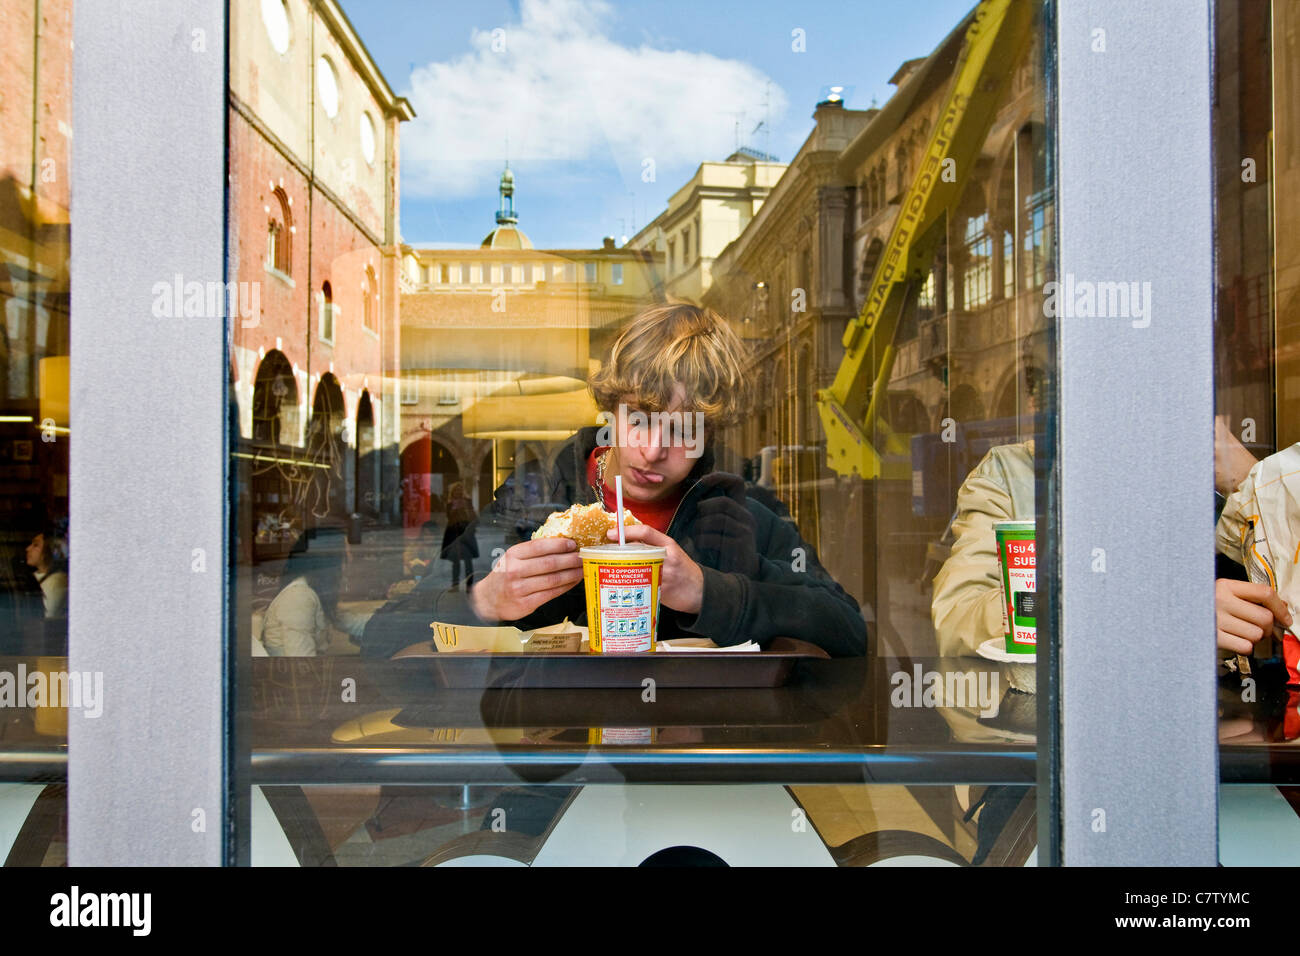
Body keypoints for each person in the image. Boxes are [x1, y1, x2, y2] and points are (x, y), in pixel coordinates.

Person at [451, 303, 867, 658]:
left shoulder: (742, 515)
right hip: (561, 744)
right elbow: (403, 620)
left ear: (708, 436)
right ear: (611, 410)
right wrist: (482, 600)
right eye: (638, 421)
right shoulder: (536, 495)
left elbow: (849, 630)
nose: (652, 452)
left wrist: (710, 592)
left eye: (682, 432)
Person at [440, 482, 479, 589]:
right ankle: (455, 584)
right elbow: (449, 518)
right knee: (455, 560)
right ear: (453, 492)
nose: (458, 492)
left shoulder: (467, 501)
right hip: (454, 533)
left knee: (468, 559)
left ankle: (469, 584)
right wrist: (454, 509)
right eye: (456, 490)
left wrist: (465, 508)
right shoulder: (450, 504)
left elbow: (473, 516)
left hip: (466, 532)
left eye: (460, 490)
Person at [25, 528, 68, 620]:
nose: (28, 548)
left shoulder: (56, 583)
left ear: (48, 551)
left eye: (35, 545)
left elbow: (47, 620)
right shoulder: (36, 577)